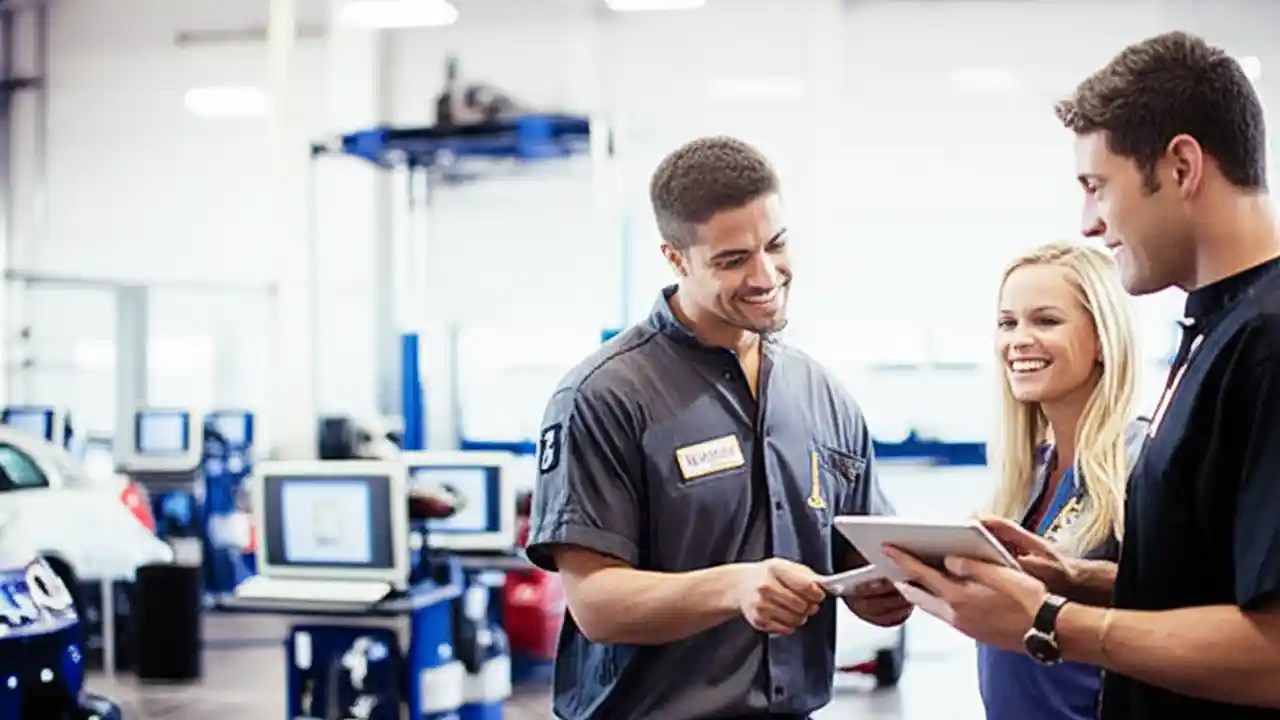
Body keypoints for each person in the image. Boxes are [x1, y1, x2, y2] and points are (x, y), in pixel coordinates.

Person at [882, 30, 1280, 720]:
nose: (1090, 223)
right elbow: (1211, 587)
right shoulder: (1217, 332)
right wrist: (1073, 577)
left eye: (1098, 187)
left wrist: (1048, 620)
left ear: (1182, 166)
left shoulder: (1268, 342)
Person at [524, 135, 912, 720]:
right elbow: (597, 604)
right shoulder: (604, 398)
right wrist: (735, 589)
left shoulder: (823, 395)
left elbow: (858, 561)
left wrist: (884, 592)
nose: (766, 275)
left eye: (776, 245)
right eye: (732, 260)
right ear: (675, 258)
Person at [977, 241, 1148, 720]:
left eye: (1046, 321)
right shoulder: (1027, 476)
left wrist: (1074, 579)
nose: (1019, 340)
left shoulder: (1144, 464)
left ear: (1102, 339)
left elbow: (1184, 600)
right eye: (1008, 323)